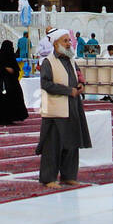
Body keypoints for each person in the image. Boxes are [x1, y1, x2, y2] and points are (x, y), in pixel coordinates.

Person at [36, 29, 90, 188]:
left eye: (69, 40)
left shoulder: (71, 60)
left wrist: (80, 86)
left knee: (72, 142)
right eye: (65, 41)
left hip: (72, 106)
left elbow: (78, 78)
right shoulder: (48, 62)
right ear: (56, 43)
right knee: (53, 145)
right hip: (55, 109)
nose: (69, 43)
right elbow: (46, 84)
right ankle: (48, 178)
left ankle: (68, 176)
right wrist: (68, 91)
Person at [0, 39, 29, 125]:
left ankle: (11, 117)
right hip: (1, 85)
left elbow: (16, 70)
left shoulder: (11, 57)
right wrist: (5, 69)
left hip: (11, 84)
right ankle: (1, 118)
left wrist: (13, 71)